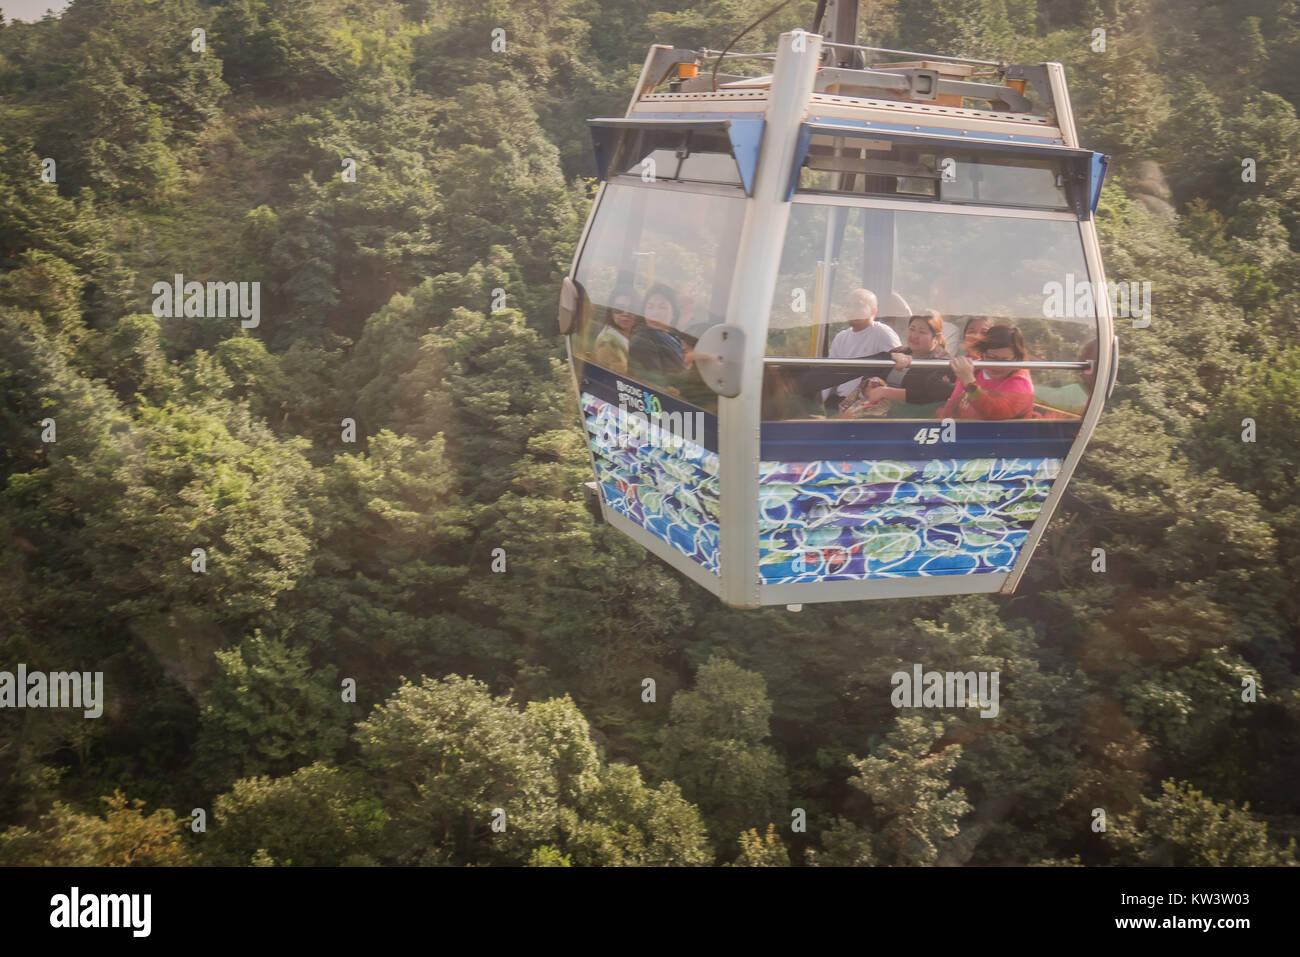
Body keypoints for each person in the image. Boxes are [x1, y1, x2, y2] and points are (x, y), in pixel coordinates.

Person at [841, 313, 957, 416]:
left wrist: (885, 392)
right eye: (912, 329)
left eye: (922, 332)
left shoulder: (943, 362)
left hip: (912, 420)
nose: (914, 335)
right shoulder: (898, 352)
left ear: (936, 337)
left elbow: (931, 395)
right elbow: (870, 374)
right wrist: (869, 389)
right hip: (879, 412)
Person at [820, 288, 901, 408]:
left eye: (858, 306)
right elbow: (830, 374)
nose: (851, 310)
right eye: (848, 306)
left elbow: (898, 370)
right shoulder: (841, 337)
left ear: (874, 311)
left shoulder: (882, 333)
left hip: (866, 406)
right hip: (838, 403)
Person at [939, 323, 1035, 420]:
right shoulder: (975, 370)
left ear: (1017, 359)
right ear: (982, 354)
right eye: (992, 357)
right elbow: (951, 408)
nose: (997, 366)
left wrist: (969, 383)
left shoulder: (1021, 383)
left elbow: (995, 413)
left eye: (1005, 360)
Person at [629, 285, 689, 376]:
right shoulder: (642, 342)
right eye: (650, 307)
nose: (655, 313)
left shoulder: (675, 337)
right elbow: (657, 381)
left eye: (662, 307)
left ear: (674, 314)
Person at [591, 288, 636, 374]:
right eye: (619, 309)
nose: (626, 313)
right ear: (611, 312)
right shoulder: (607, 343)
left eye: (631, 308)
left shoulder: (632, 335)